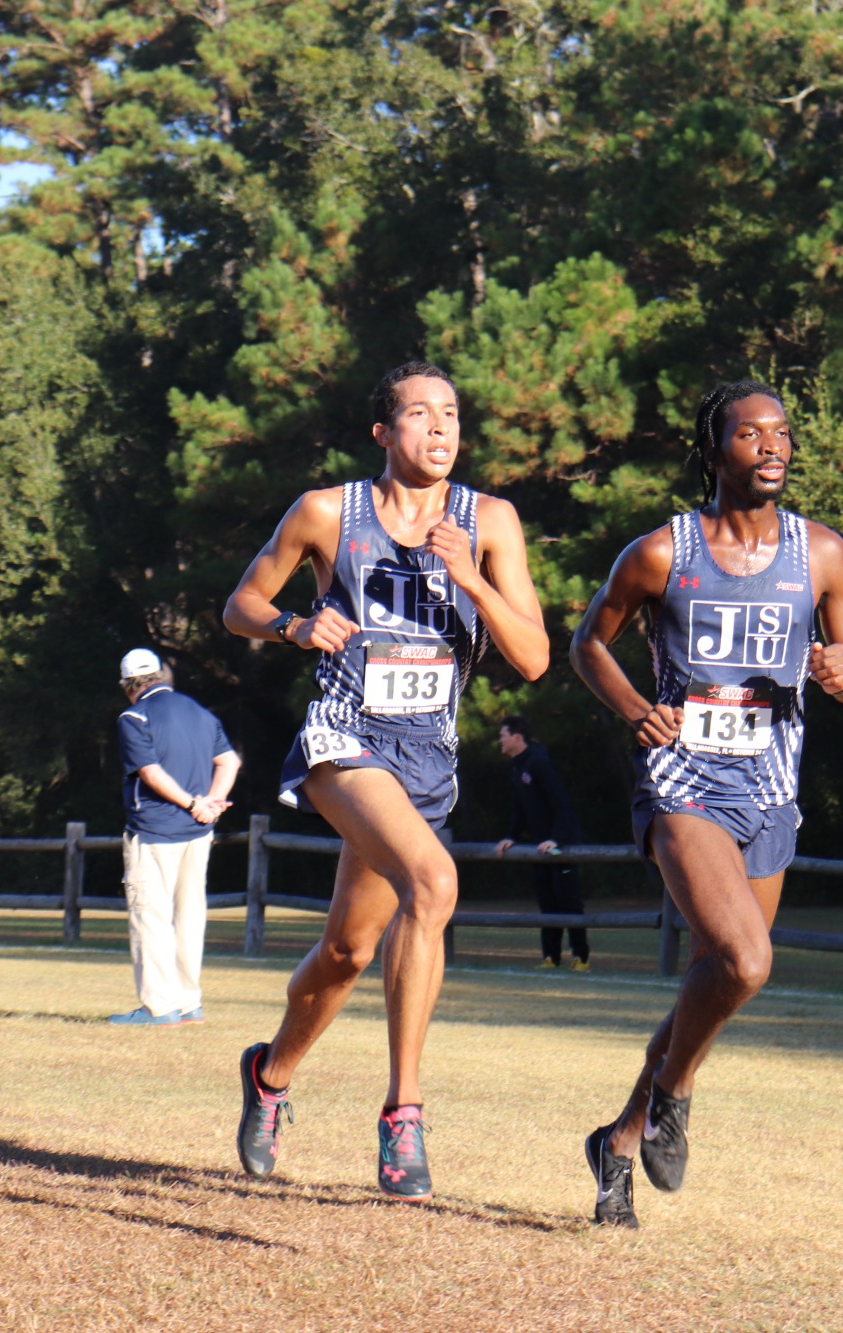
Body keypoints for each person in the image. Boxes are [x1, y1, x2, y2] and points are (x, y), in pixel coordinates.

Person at [221, 360, 549, 1201]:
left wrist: (469, 574)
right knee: (434, 883)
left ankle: (270, 1072)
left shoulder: (492, 521)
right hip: (343, 741)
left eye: (451, 414)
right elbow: (241, 605)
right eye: (418, 414)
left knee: (346, 951)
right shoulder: (329, 513)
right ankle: (404, 1112)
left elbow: (535, 657)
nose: (439, 429)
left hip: (427, 762)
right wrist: (297, 623)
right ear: (382, 432)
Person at [569, 379, 843, 1228]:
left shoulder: (823, 554)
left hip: (771, 788)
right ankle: (674, 1094)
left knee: (714, 974)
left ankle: (622, 1136)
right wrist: (636, 710)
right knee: (744, 960)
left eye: (781, 433)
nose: (773, 447)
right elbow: (587, 642)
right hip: (683, 781)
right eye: (751, 434)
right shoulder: (663, 552)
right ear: (714, 452)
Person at [109, 648, 241, 1027]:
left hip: (154, 831)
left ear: (128, 686)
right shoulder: (200, 713)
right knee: (189, 917)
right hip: (198, 833)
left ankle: (159, 1007)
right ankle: (188, 1003)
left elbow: (150, 773)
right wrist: (210, 804)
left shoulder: (134, 717)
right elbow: (230, 762)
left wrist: (192, 802)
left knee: (151, 916)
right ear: (159, 677)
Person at [493, 716, 590, 970]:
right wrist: (511, 836)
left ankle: (581, 957)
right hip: (538, 846)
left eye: (503, 735)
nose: (500, 740)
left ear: (516, 737)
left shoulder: (539, 762)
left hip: (561, 844)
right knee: (547, 901)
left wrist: (556, 838)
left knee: (567, 900)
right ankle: (551, 957)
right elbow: (521, 807)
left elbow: (562, 804)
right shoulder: (515, 766)